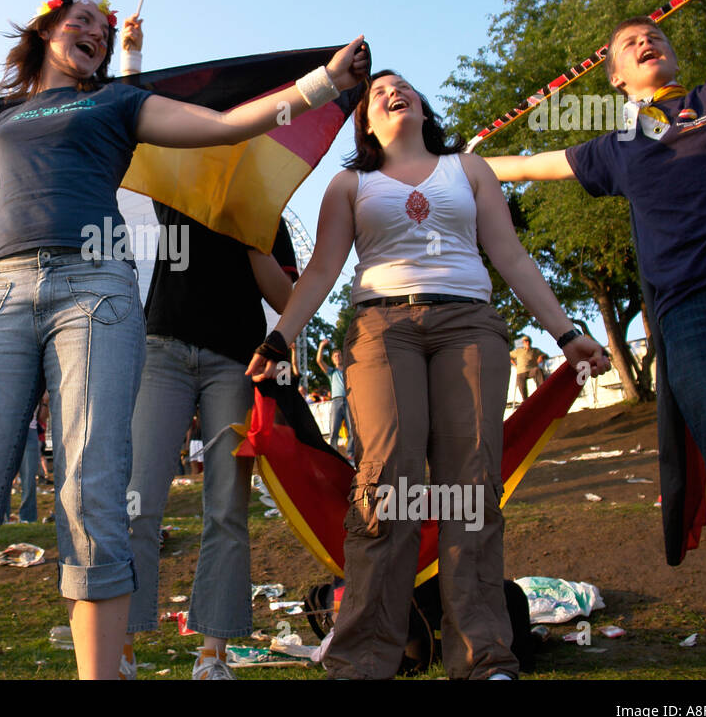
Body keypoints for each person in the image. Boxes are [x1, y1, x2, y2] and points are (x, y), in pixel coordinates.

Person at [0, 0, 369, 679]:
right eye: (82, 23)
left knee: (92, 493)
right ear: (46, 32)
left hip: (93, 294)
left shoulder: (117, 105)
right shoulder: (5, 121)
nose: (94, 33)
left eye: (103, 31)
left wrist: (320, 85)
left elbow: (226, 126)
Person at [248, 69, 608, 680]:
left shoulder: (468, 170)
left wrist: (568, 334)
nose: (394, 91)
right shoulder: (349, 184)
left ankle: (484, 656)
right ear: (364, 119)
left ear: (421, 106)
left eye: (404, 85)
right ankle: (361, 660)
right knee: (388, 481)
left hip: (469, 324)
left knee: (471, 484)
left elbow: (510, 256)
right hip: (381, 329)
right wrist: (280, 337)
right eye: (378, 91)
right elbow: (321, 270)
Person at [485, 10, 706, 679]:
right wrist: (444, 164)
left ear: (674, 57)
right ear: (615, 78)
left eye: (655, 35)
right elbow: (527, 166)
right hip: (689, 320)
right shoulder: (616, 146)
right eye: (628, 43)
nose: (646, 41)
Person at [124, 203, 298, 680]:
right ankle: (121, 644)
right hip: (163, 348)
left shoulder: (266, 207)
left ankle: (212, 653)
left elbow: (287, 298)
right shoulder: (179, 181)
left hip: (237, 360)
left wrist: (251, 232)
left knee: (226, 508)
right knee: (137, 500)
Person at [316, 338, 350, 453]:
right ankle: (334, 453)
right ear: (332, 359)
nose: (338, 357)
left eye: (339, 355)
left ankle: (351, 454)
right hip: (336, 401)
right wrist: (321, 346)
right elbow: (319, 361)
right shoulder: (332, 372)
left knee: (351, 429)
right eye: (335, 356)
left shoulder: (348, 370)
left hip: (348, 400)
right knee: (334, 429)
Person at [509, 334, 547, 401]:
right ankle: (525, 400)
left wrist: (541, 356)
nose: (527, 342)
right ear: (523, 342)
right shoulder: (518, 350)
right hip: (521, 371)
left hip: (531, 369)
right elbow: (509, 355)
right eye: (525, 341)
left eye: (528, 341)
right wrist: (515, 364)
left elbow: (545, 355)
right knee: (520, 381)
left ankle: (541, 392)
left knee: (538, 370)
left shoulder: (535, 350)